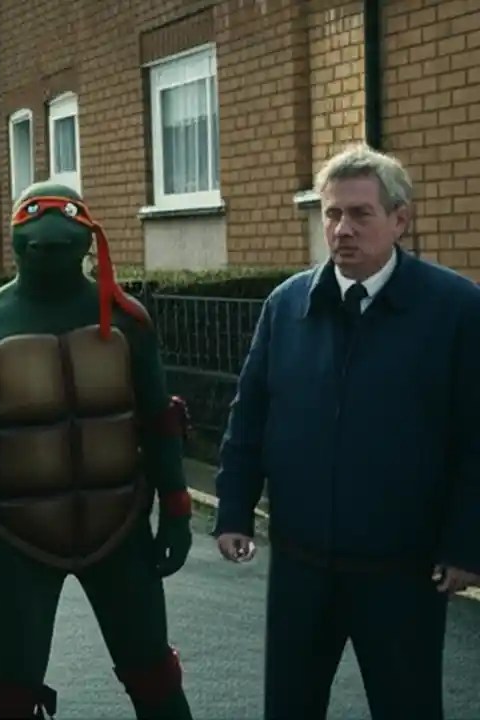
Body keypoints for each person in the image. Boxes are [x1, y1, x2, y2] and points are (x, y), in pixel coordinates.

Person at [213, 143, 480, 719]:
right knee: (290, 705)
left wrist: (466, 544)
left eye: (360, 214)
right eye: (332, 214)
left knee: (407, 707)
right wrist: (233, 508)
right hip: (301, 564)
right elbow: (251, 413)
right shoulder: (288, 305)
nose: (342, 229)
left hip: (403, 571)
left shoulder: (456, 310)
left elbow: (475, 438)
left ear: (400, 219)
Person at [0, 181, 195, 719]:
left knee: (155, 676)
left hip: (119, 527)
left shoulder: (127, 320)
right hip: (14, 535)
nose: (47, 254)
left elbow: (159, 421)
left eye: (59, 244)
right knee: (11, 688)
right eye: (37, 245)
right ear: (17, 244)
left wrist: (176, 510)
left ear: (86, 244)